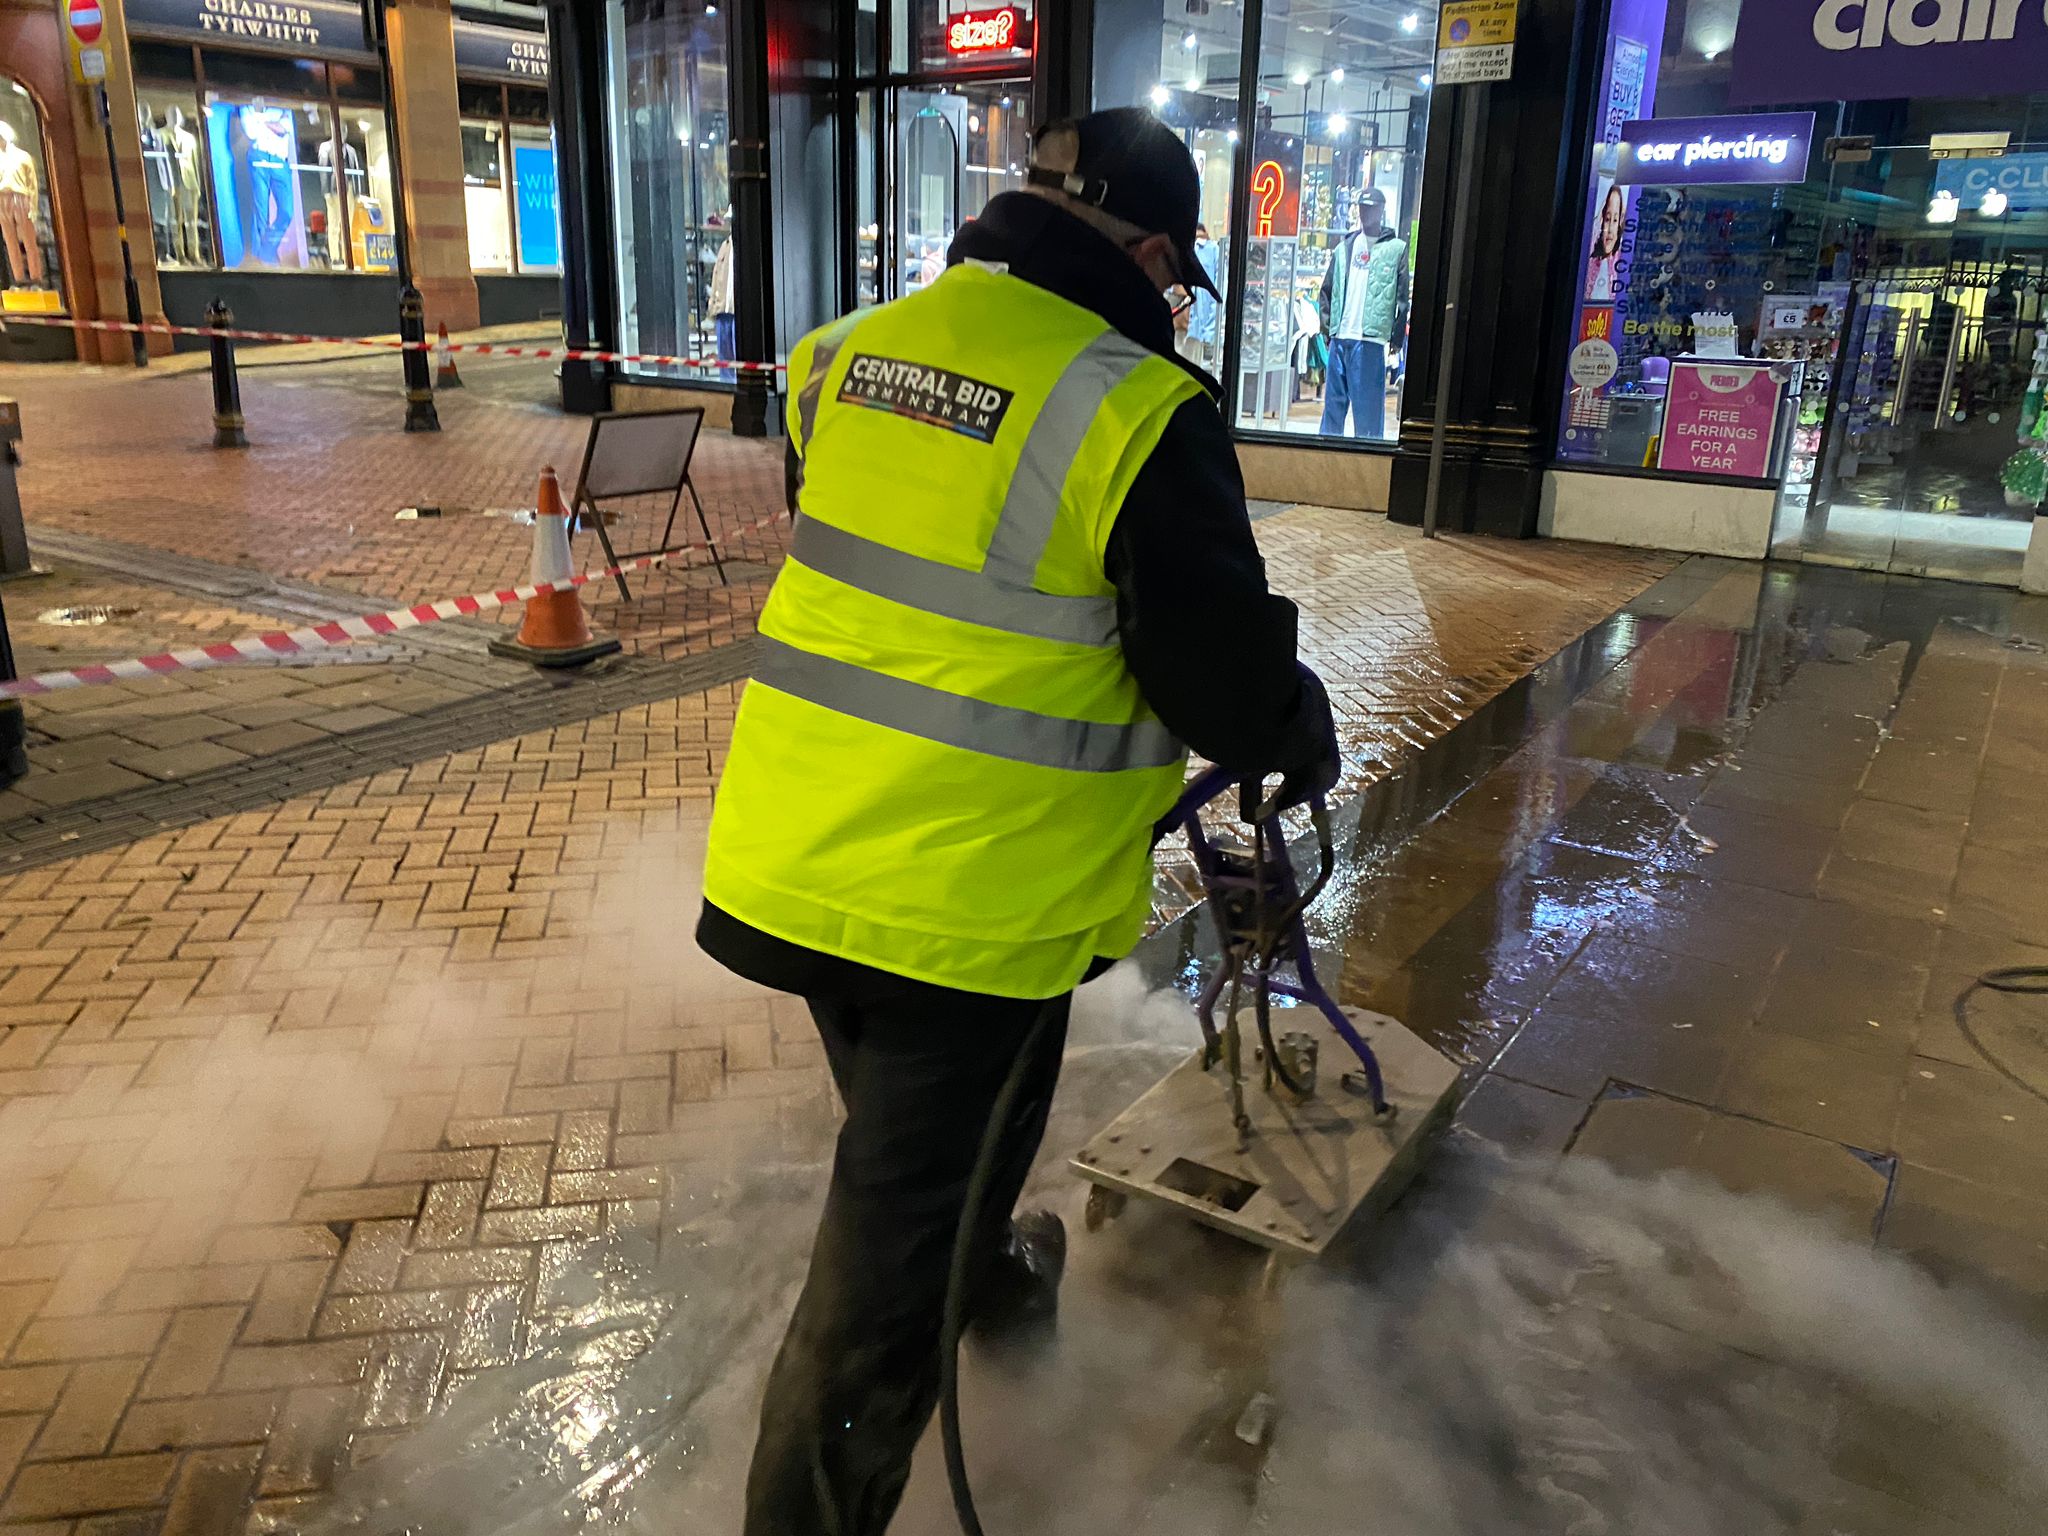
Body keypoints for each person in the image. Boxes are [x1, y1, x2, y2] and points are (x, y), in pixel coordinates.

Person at [696, 106, 1343, 1536]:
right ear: (1159, 252)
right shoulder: (1135, 407)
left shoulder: (848, 355)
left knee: (919, 1179)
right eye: (1180, 279)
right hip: (968, 920)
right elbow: (1225, 684)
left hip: (799, 861)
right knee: (874, 1301)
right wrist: (1301, 727)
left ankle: (999, 1284)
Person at [1317, 187, 1408, 439]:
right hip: (1340, 336)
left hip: (1369, 340)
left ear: (1381, 210)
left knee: (1368, 417)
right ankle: (1325, 459)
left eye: (1372, 207)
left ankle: (1367, 468)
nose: (1366, 212)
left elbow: (1402, 299)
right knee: (1332, 412)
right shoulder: (1344, 247)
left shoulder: (1395, 249)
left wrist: (1396, 337)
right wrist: (1328, 329)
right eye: (1362, 207)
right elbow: (1327, 290)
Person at [1586, 183, 1625, 303]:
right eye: (1607, 220)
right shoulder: (1589, 261)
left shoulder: (1620, 263)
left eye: (1615, 220)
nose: (1610, 230)